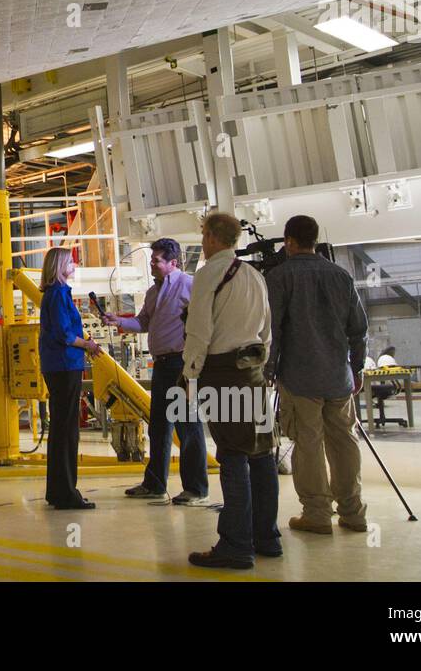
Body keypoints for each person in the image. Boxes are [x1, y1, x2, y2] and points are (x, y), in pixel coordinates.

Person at [183, 212, 280, 570]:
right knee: (262, 452)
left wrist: (190, 375)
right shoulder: (254, 275)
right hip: (252, 370)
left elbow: (198, 330)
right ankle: (266, 536)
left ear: (210, 237)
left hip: (222, 373)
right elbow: (267, 329)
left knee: (233, 455)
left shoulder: (208, 274)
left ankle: (236, 545)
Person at [265, 214, 369, 536]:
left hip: (300, 377)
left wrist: (268, 369)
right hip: (339, 376)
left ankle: (317, 514)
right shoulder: (341, 276)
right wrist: (357, 368)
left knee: (308, 443)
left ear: (289, 242)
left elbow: (274, 331)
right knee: (344, 442)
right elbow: (359, 330)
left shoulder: (279, 277)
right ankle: (353, 512)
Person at [104, 237, 208, 504]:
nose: (152, 264)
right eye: (152, 259)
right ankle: (155, 484)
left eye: (156, 260)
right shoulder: (152, 292)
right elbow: (144, 322)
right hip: (161, 364)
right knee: (159, 426)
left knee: (188, 427)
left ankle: (195, 488)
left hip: (184, 365)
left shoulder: (190, 286)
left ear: (173, 263)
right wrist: (120, 322)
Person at [39, 246, 103, 510]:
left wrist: (85, 342)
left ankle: (58, 491)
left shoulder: (55, 295)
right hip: (65, 366)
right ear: (59, 266)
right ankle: (66, 493)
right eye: (70, 261)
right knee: (67, 431)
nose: (74, 264)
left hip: (59, 365)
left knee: (61, 429)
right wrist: (87, 345)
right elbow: (65, 335)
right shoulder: (58, 295)